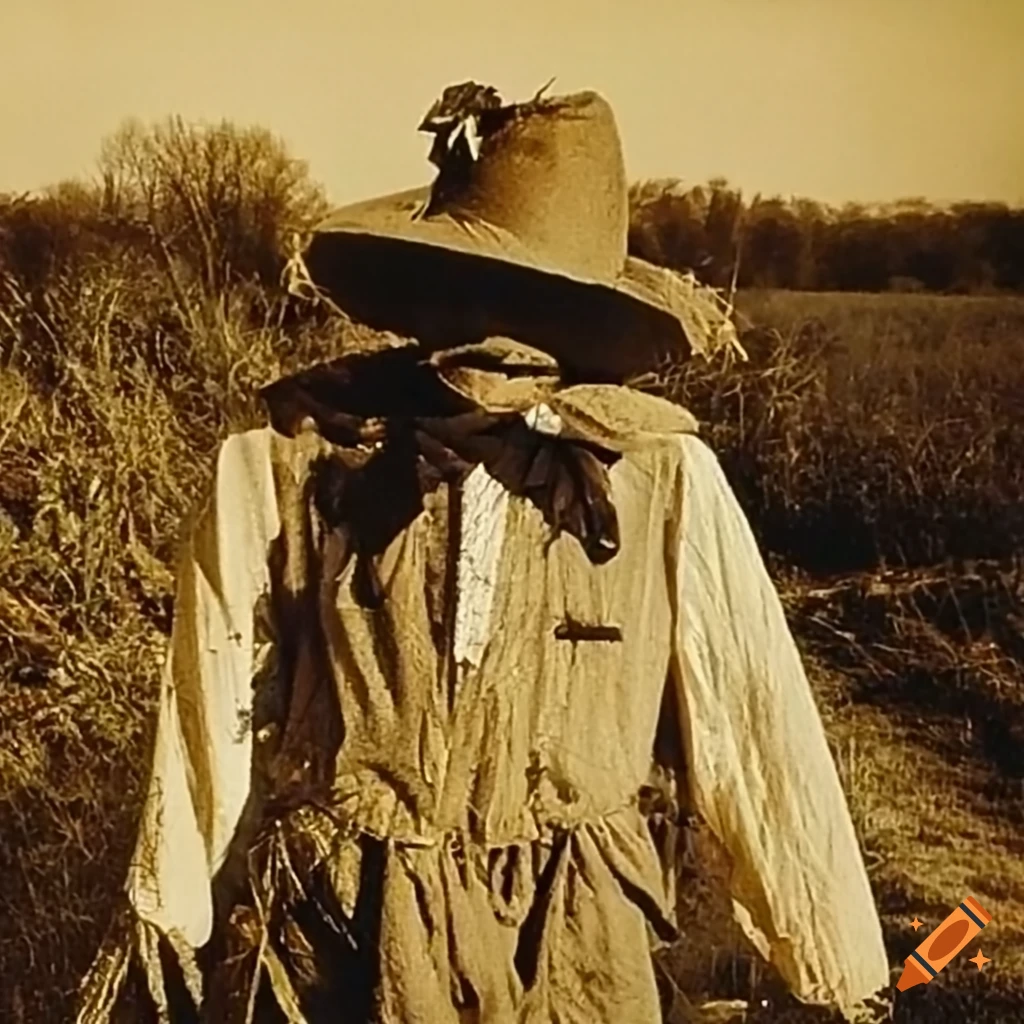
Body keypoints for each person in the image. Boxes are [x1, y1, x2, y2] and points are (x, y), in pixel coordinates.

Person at [76, 84, 890, 1024]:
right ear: (427, 283)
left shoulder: (662, 480)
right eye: (475, 282)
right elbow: (206, 708)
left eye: (538, 295)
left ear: (584, 310)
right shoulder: (284, 466)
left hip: (574, 936)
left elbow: (752, 721)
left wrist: (833, 957)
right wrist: (170, 914)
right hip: (342, 927)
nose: (501, 324)